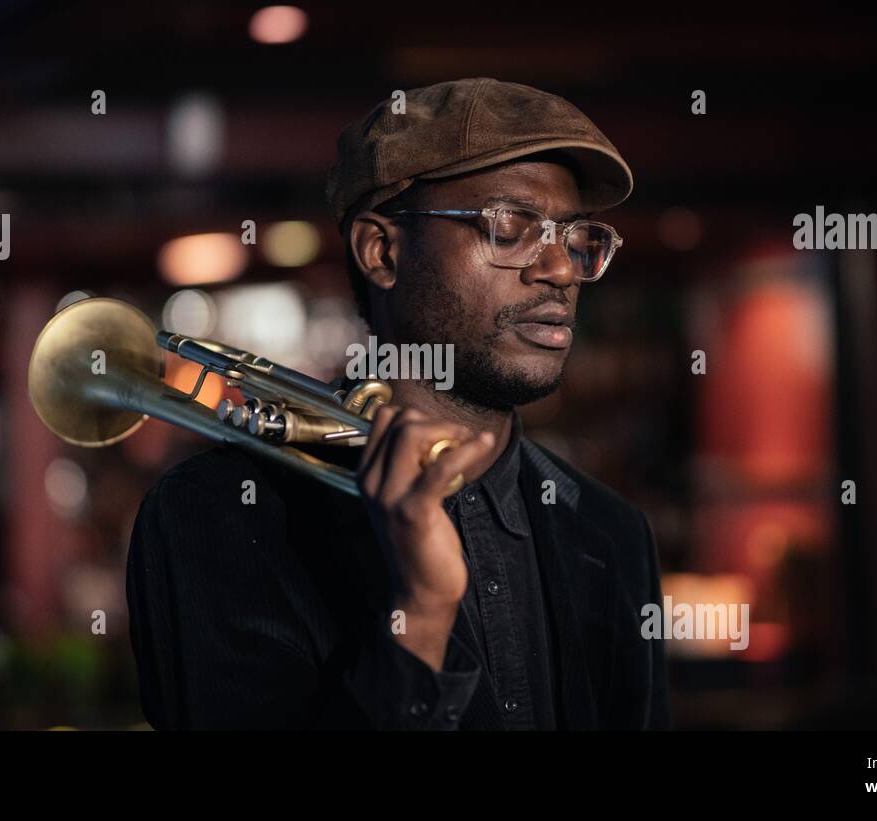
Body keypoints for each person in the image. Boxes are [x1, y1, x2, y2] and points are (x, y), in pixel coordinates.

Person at [127, 77, 668, 730]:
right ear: (382, 251)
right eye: (511, 227)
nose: (559, 269)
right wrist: (422, 615)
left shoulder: (611, 533)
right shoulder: (219, 514)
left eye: (577, 239)